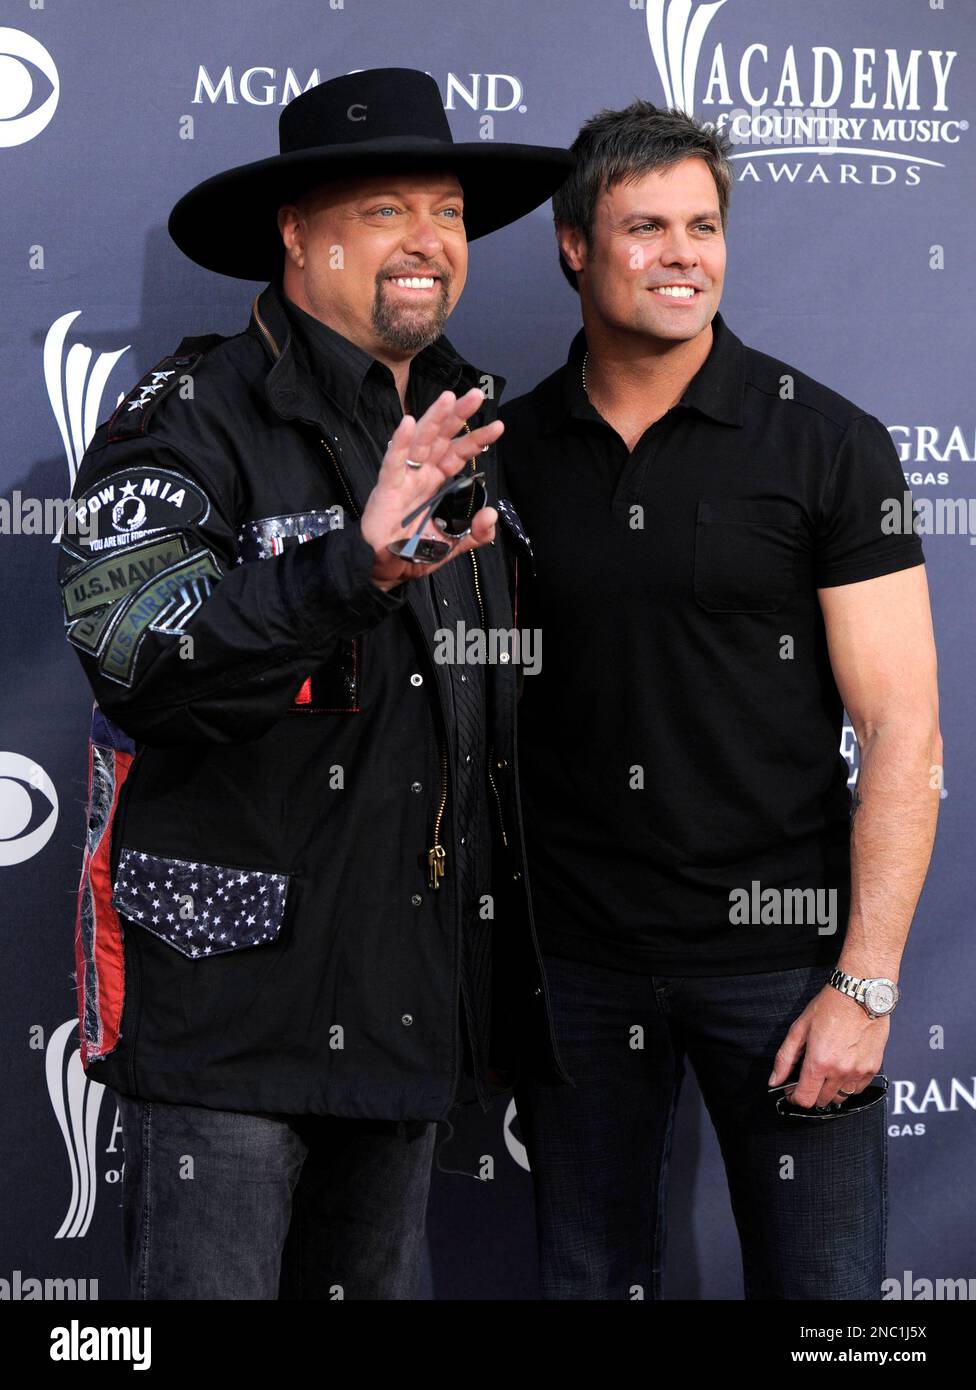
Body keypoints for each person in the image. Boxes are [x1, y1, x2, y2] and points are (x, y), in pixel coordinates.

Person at [57, 67, 572, 1300]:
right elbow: (134, 654)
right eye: (385, 208)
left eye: (445, 212)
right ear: (297, 234)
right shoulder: (181, 415)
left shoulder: (472, 438)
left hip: (403, 1010)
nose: (427, 242)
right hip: (228, 1026)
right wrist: (354, 563)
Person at [499, 100, 942, 1300]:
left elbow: (905, 730)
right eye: (644, 226)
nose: (682, 253)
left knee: (833, 1307)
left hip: (786, 964)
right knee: (583, 1281)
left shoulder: (830, 445)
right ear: (572, 246)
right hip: (573, 966)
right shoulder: (504, 449)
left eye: (703, 224)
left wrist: (863, 985)